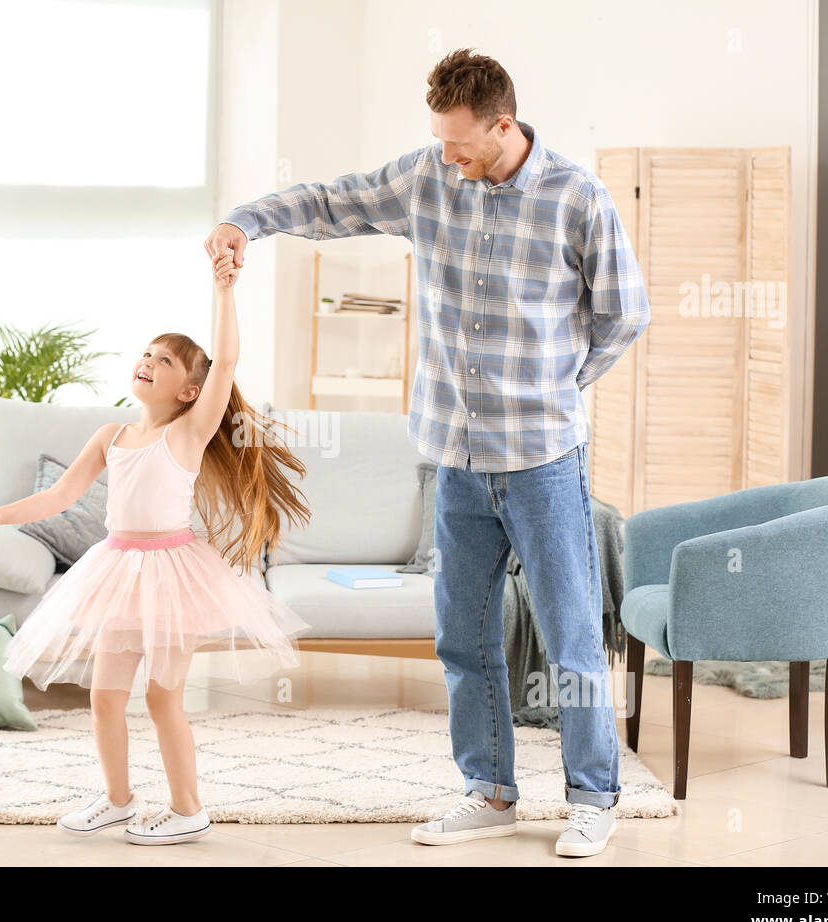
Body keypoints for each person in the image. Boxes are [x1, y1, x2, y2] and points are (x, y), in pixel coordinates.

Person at [204, 48, 649, 857]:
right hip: (453, 460)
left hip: (543, 460)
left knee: (572, 636)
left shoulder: (576, 197)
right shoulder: (426, 179)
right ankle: (488, 790)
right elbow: (331, 202)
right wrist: (246, 221)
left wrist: (560, 386)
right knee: (463, 637)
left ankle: (593, 796)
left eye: (460, 143)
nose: (447, 156)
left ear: (503, 126)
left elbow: (625, 314)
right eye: (438, 141)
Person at [0, 250, 314, 846]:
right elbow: (59, 495)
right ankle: (118, 800)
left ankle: (188, 809)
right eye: (146, 354)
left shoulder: (190, 431)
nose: (148, 362)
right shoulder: (112, 435)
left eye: (165, 359)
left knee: (160, 697)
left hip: (173, 574)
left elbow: (227, 358)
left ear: (190, 390)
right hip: (116, 568)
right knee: (103, 698)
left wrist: (224, 290)